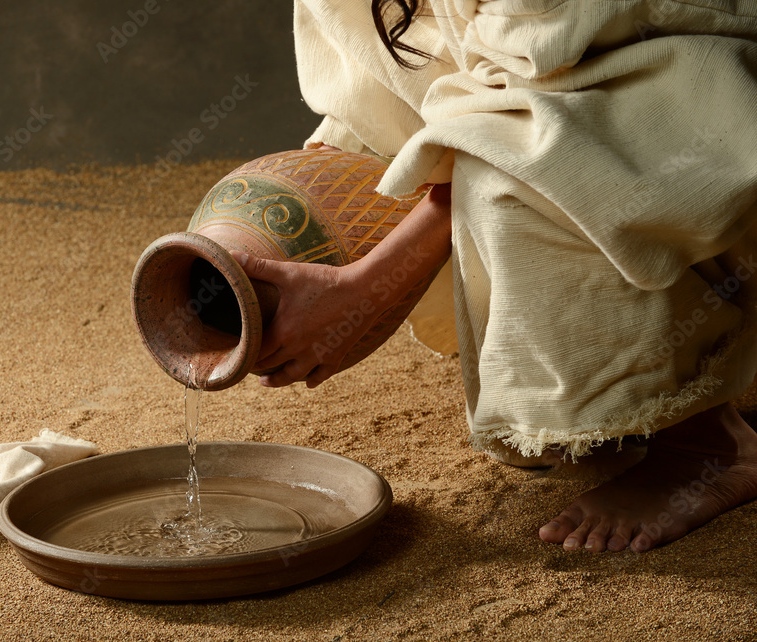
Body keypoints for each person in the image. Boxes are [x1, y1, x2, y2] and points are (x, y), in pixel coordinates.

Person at [229, 0, 757, 553]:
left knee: (508, 188)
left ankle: (706, 449)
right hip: (536, 85)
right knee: (404, 170)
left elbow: (531, 114)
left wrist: (364, 290)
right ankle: (627, 392)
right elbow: (377, 83)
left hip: (703, 95)